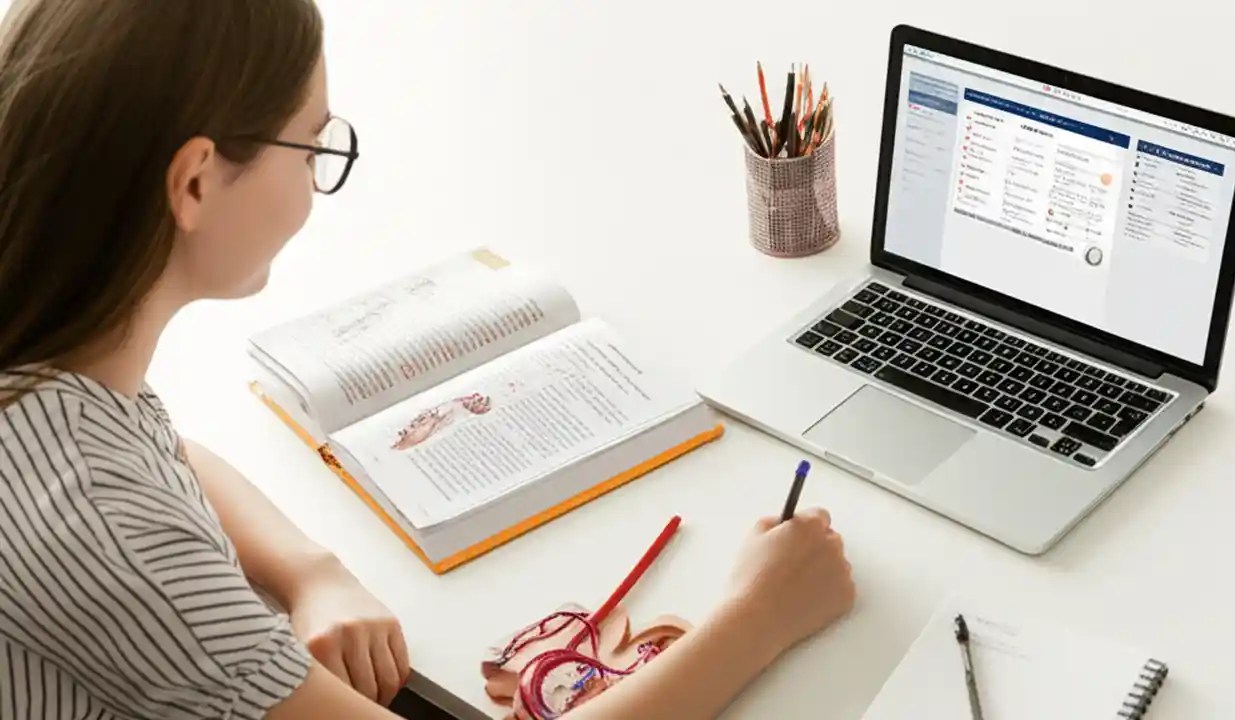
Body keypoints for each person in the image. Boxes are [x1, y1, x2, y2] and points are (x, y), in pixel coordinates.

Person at [0, 1, 857, 719]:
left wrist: (312, 572)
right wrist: (760, 616)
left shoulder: (55, 346)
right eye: (313, 143)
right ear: (193, 183)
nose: (317, 173)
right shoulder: (108, 536)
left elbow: (164, 453)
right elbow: (122, 518)